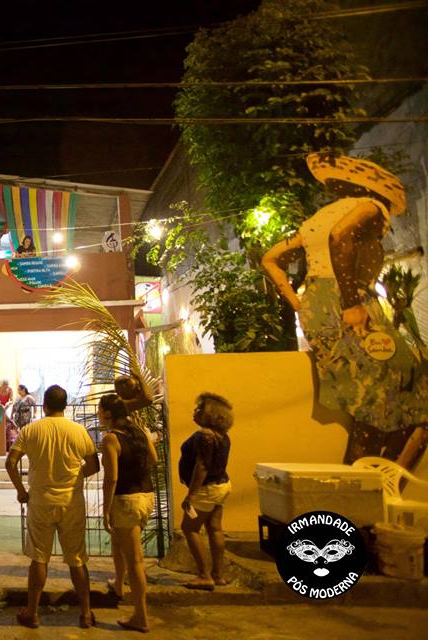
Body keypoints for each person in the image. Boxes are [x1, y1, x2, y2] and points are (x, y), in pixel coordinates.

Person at [262, 153, 428, 467]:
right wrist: (351, 302)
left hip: (318, 304)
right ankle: (378, 480)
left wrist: (298, 303)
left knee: (373, 394)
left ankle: (374, 478)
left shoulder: (318, 218)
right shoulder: (372, 206)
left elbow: (270, 259)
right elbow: (341, 237)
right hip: (348, 300)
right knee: (404, 383)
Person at [5, 385, 100, 629]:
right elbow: (94, 465)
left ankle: (32, 613)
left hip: (40, 502)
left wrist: (21, 491)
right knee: (77, 559)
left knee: (39, 558)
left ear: (45, 405)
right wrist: (76, 476)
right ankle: (86, 613)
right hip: (72, 503)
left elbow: (11, 462)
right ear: (65, 406)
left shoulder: (31, 430)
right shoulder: (78, 431)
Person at [100, 394, 158, 633]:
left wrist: (105, 510)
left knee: (135, 561)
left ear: (108, 414)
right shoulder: (139, 432)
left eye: (100, 410)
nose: (98, 414)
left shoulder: (111, 439)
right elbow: (153, 459)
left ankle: (140, 616)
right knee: (119, 541)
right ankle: (118, 583)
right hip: (146, 496)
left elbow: (111, 478)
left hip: (126, 500)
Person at [179, 392, 233, 590]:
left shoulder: (205, 436)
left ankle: (204, 575)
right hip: (222, 485)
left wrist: (190, 495)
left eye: (200, 408)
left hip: (206, 489)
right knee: (214, 528)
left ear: (210, 414)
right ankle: (218, 575)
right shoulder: (222, 436)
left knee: (189, 528)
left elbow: (202, 466)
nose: (195, 411)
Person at [10, 385, 36, 449]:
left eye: (19, 390)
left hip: (25, 415)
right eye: (18, 390)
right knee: (16, 429)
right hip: (17, 415)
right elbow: (14, 406)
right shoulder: (18, 398)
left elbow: (34, 405)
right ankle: (19, 444)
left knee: (25, 430)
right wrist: (12, 414)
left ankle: (26, 444)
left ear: (23, 390)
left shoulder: (28, 397)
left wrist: (34, 414)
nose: (18, 391)